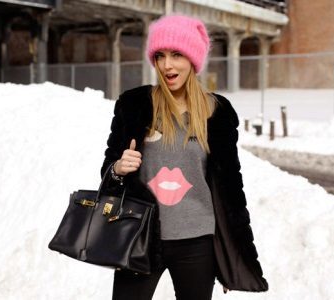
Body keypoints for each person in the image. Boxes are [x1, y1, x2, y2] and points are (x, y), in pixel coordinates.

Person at [100, 14, 268, 300]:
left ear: (193, 59)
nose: (168, 64)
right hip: (140, 235)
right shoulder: (135, 104)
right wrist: (118, 169)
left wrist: (232, 257)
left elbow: (230, 188)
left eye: (177, 54)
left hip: (197, 243)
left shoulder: (217, 112)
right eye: (160, 55)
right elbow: (108, 174)